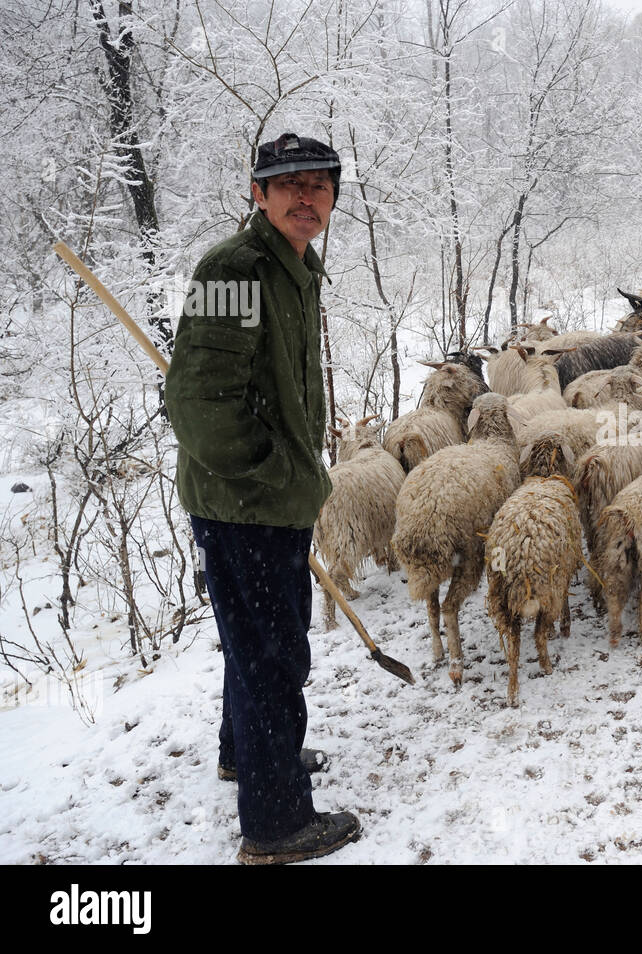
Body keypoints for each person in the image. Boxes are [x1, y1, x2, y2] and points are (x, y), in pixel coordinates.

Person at [164, 133, 361, 865]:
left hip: (260, 500)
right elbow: (197, 402)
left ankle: (245, 757)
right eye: (288, 185)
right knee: (275, 654)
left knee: (252, 644)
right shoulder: (236, 269)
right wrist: (277, 472)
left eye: (319, 185)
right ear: (259, 193)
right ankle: (277, 825)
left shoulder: (293, 267)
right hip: (245, 503)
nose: (306, 198)